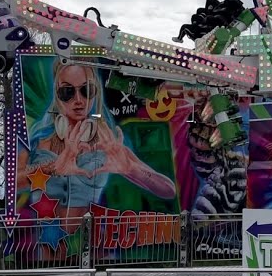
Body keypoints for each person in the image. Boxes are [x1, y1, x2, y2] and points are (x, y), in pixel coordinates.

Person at [25, 59, 176, 230]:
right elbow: (13, 182)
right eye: (67, 92)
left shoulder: (107, 145)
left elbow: (168, 190)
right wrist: (53, 167)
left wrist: (132, 169)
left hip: (91, 247)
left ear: (95, 93)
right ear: (57, 96)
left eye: (86, 90)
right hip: (42, 252)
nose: (79, 100)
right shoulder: (40, 142)